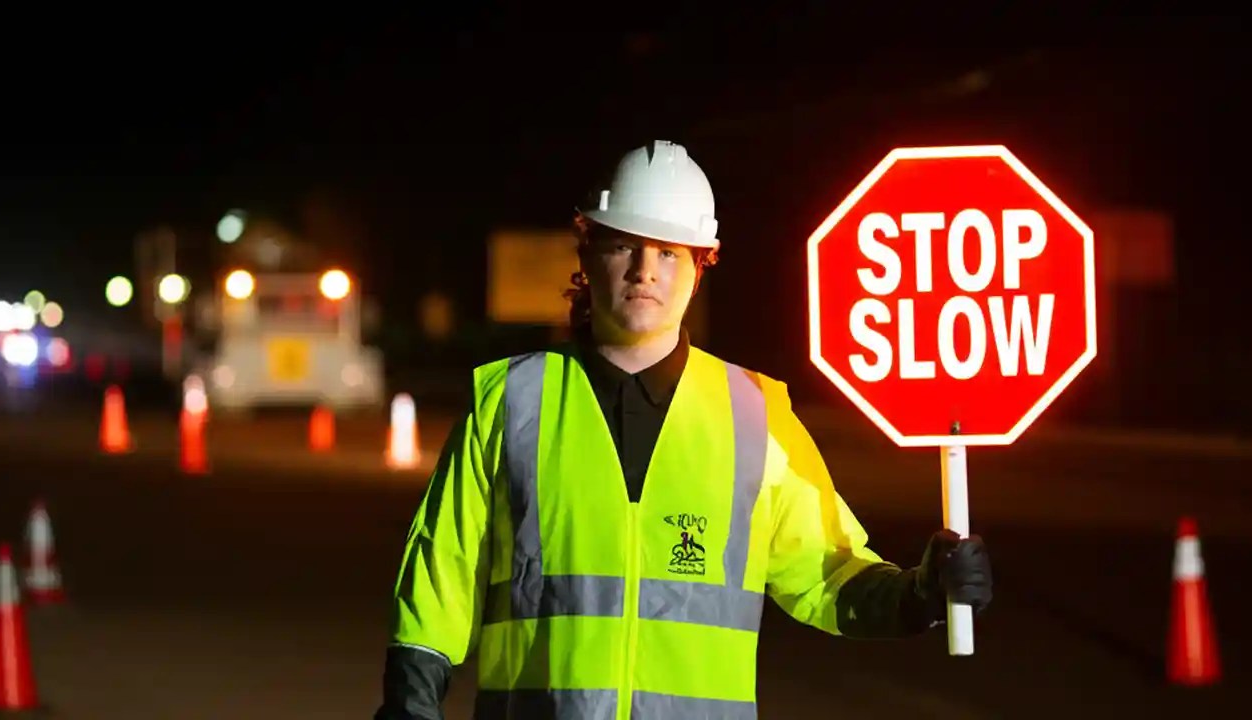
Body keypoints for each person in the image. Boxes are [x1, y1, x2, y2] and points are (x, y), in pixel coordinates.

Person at [374, 140, 993, 720]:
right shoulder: (509, 401)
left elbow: (827, 575)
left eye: (669, 251)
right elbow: (440, 578)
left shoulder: (756, 414)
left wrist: (920, 594)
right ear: (588, 253)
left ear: (701, 266)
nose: (646, 270)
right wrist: (410, 702)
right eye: (624, 246)